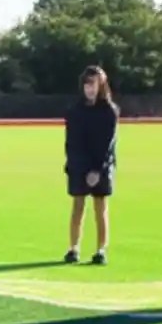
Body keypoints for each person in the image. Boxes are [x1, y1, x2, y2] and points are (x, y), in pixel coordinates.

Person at [63, 65, 119, 265]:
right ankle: (73, 248)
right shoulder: (75, 110)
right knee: (77, 206)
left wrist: (97, 169)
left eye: (93, 84)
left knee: (100, 207)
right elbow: (72, 141)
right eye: (87, 84)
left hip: (101, 166)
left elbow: (108, 144)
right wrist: (75, 166)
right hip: (79, 165)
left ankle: (100, 250)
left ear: (101, 85)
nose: (90, 88)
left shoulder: (109, 112)